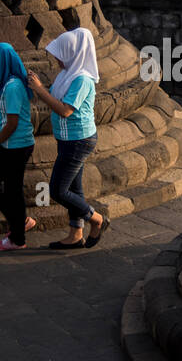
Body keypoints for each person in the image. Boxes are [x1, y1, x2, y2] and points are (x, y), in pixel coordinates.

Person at [27, 28, 109, 249]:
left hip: (78, 140)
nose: (57, 60)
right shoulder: (68, 74)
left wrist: (40, 89)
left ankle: (97, 219)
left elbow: (64, 110)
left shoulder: (82, 80)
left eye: (60, 55)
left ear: (73, 54)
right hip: (67, 139)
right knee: (74, 188)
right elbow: (53, 98)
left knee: (57, 190)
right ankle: (75, 233)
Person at [0, 42, 37, 252]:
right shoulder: (9, 83)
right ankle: (19, 224)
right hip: (12, 143)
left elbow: (13, 123)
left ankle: (17, 237)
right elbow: (8, 115)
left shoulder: (13, 86)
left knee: (10, 189)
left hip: (15, 145)